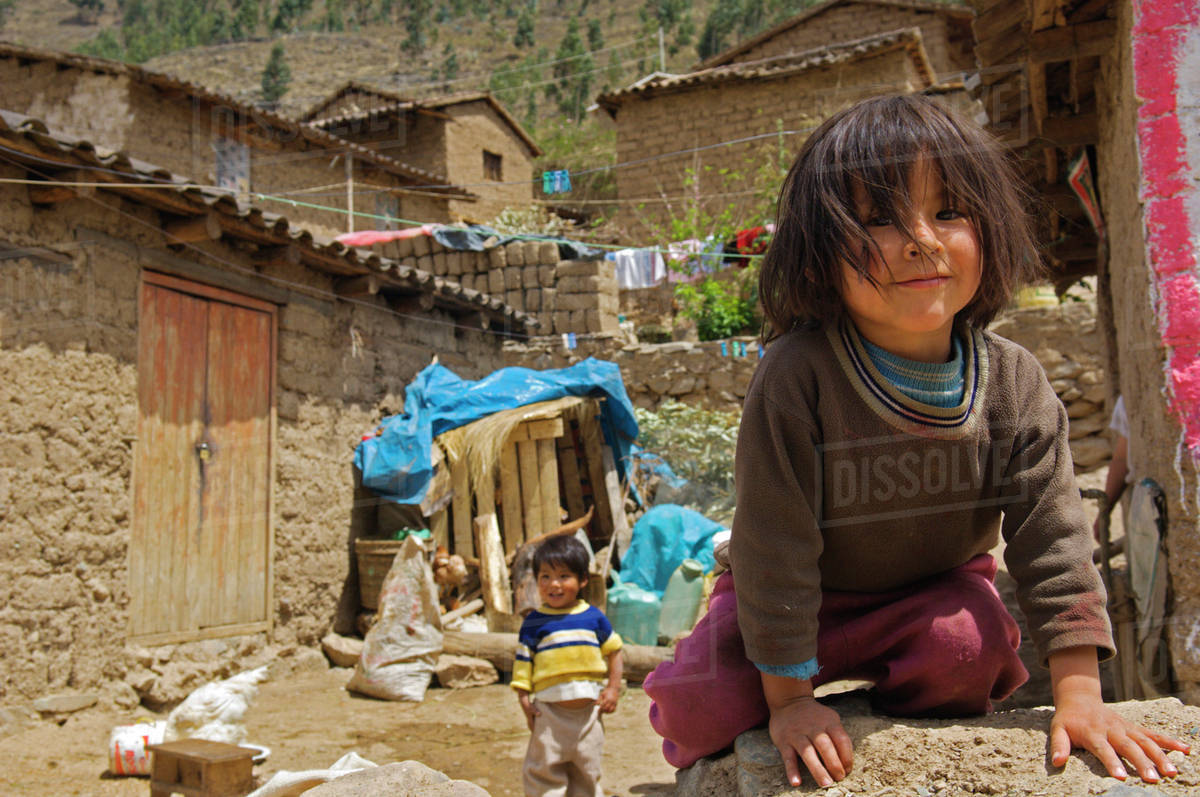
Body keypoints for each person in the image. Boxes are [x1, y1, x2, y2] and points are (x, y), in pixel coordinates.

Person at [642, 94, 1189, 789]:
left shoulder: (1014, 382)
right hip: (797, 600)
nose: (922, 239)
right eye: (878, 219)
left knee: (970, 651)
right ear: (817, 253)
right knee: (694, 706)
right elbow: (773, 546)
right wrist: (791, 703)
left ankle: (878, 710)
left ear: (989, 230)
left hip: (931, 594)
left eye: (949, 212)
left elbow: (1054, 539)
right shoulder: (796, 377)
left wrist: (1082, 697)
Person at [512, 534, 624, 797]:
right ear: (536, 581)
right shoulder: (534, 622)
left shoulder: (593, 617)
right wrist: (523, 699)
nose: (554, 584)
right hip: (549, 713)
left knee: (587, 769)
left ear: (583, 579)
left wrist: (613, 689)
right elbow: (523, 663)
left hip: (589, 713)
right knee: (544, 770)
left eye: (564, 576)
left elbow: (615, 651)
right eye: (546, 577)